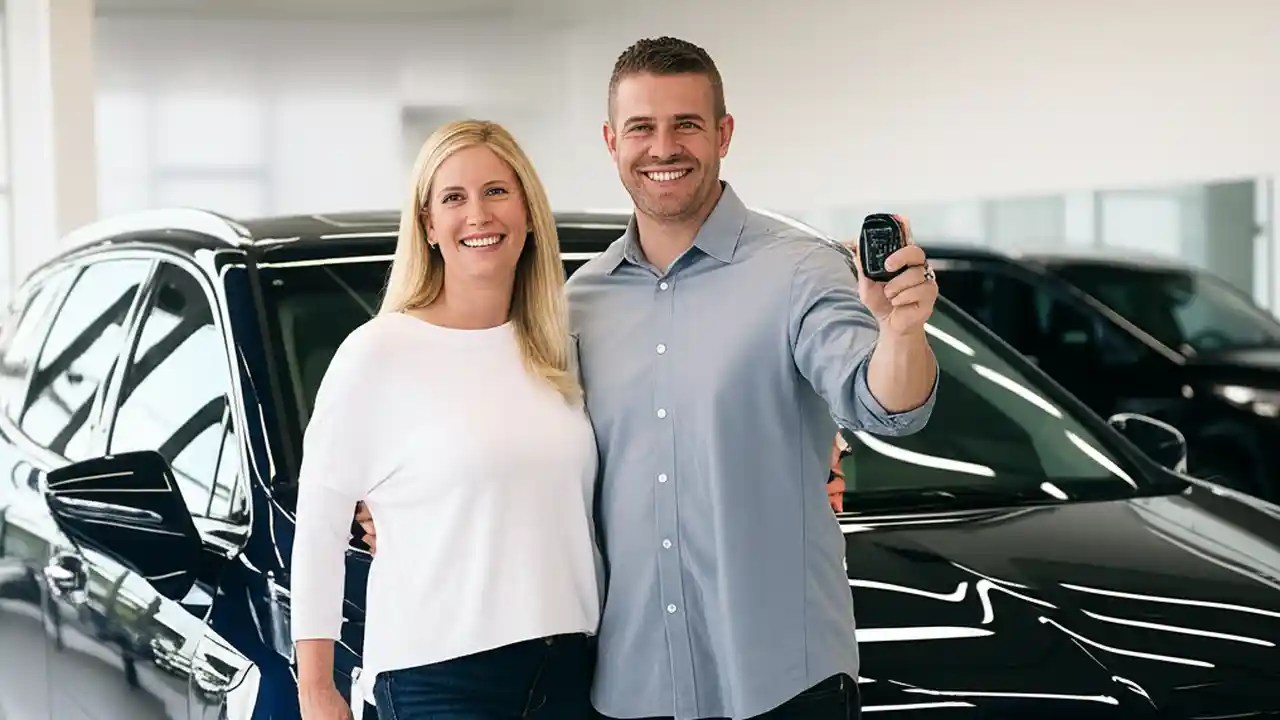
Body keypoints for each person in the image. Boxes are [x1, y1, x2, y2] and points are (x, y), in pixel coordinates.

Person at [358, 36, 939, 720]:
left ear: (723, 133)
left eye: (686, 124)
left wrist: (902, 331)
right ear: (612, 141)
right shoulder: (578, 304)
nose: (664, 147)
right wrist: (408, 505)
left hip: (783, 682)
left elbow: (885, 406)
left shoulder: (799, 270)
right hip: (633, 688)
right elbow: (519, 458)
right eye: (642, 127)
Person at [290, 119, 602, 720]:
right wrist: (317, 690)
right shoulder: (378, 353)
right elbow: (321, 529)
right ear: (429, 225)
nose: (478, 215)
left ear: (529, 211)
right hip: (440, 679)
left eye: (496, 191)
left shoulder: (563, 349)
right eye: (453, 198)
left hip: (572, 672)